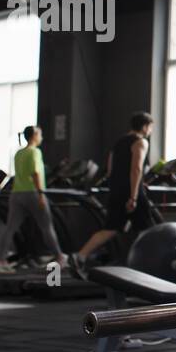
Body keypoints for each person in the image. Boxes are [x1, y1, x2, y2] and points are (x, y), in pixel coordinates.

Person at [71, 112, 154, 275]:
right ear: (145, 127)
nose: (150, 131)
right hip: (131, 191)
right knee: (147, 230)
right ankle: (144, 265)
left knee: (110, 228)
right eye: (150, 127)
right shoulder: (140, 142)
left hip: (115, 190)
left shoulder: (118, 143)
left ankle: (79, 256)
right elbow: (136, 169)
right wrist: (134, 196)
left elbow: (110, 170)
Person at [0, 125, 68, 273]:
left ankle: (0, 261)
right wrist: (41, 194)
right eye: (40, 135)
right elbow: (35, 174)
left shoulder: (19, 153)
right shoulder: (35, 152)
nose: (42, 138)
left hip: (16, 194)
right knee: (46, 227)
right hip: (33, 193)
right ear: (34, 136)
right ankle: (60, 257)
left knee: (10, 228)